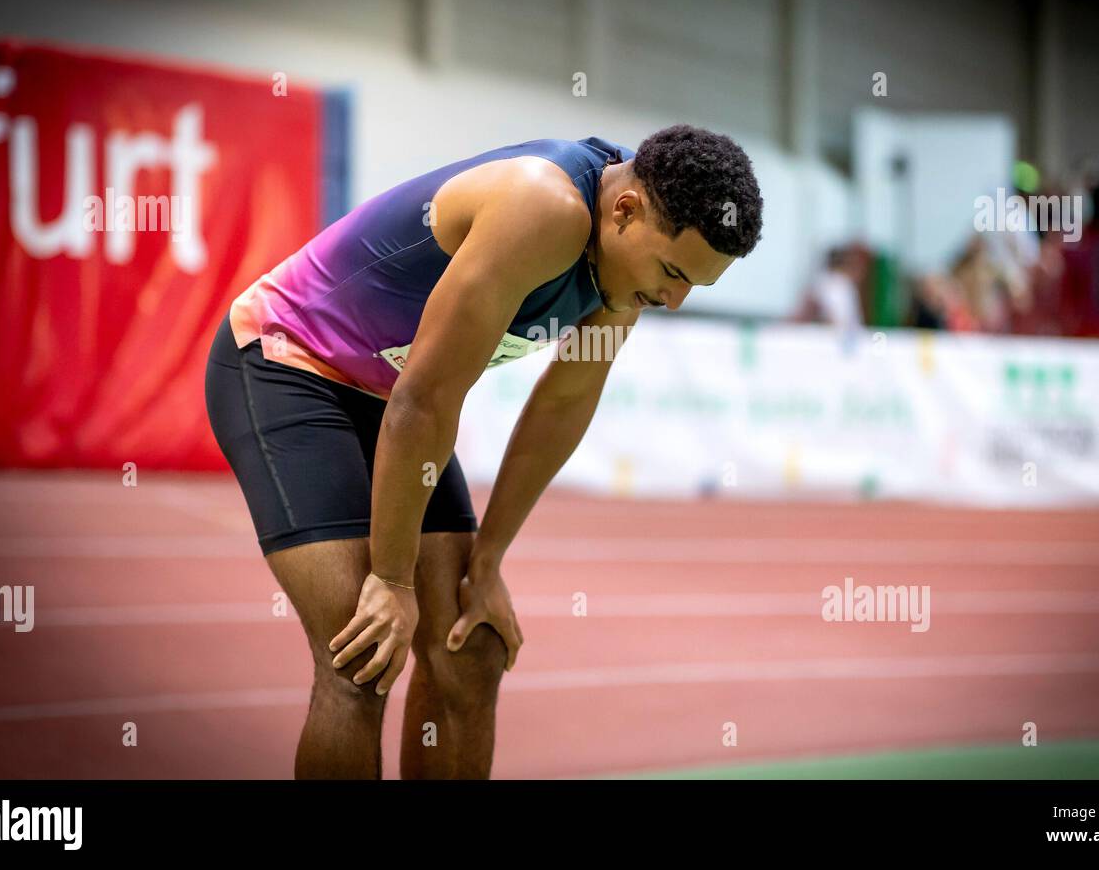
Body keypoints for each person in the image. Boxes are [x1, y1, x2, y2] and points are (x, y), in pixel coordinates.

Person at [203, 125, 763, 778]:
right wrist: (391, 578)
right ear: (625, 210)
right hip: (286, 364)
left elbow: (561, 405)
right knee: (362, 659)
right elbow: (424, 400)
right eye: (671, 273)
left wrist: (488, 561)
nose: (671, 300)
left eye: (693, 285)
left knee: (472, 650)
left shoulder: (625, 268)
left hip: (391, 393)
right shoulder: (544, 209)